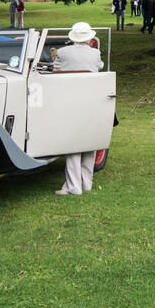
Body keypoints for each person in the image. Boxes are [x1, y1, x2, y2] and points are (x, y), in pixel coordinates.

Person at [52, 22, 104, 195]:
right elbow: (99, 67)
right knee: (89, 141)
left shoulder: (62, 52)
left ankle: (73, 186)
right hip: (91, 101)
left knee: (73, 142)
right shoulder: (95, 53)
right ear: (89, 37)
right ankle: (86, 183)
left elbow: (55, 70)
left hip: (70, 101)